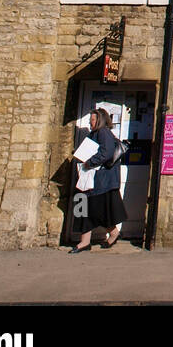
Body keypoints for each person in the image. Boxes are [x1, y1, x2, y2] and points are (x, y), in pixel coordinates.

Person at [71, 108, 127, 253]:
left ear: (100, 120)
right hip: (92, 180)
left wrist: (90, 162)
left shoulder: (103, 132)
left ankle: (113, 233)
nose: (90, 121)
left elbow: (106, 153)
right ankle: (85, 241)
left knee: (97, 210)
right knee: (84, 208)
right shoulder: (95, 133)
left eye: (93, 119)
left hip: (101, 181)